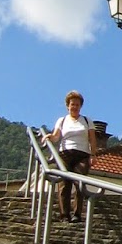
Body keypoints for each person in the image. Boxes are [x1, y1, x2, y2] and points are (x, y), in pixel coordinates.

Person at [48, 91, 98, 221]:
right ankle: (64, 215)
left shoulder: (87, 121)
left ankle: (77, 214)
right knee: (64, 184)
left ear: (80, 106)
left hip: (82, 154)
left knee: (79, 183)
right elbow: (56, 136)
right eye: (72, 104)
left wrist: (93, 154)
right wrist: (50, 137)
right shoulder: (62, 120)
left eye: (77, 104)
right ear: (67, 106)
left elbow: (92, 139)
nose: (74, 107)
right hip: (65, 154)